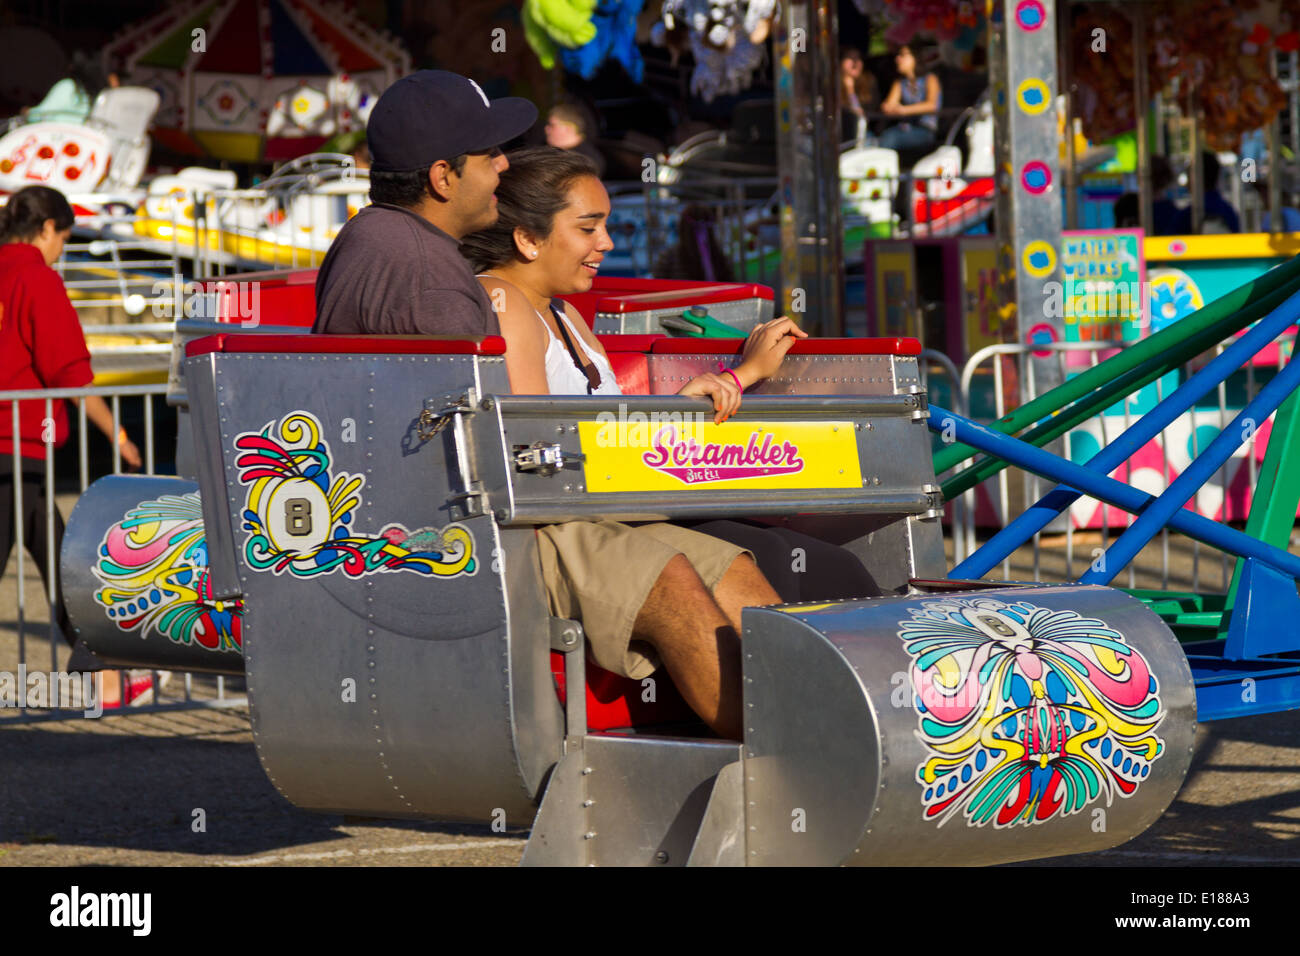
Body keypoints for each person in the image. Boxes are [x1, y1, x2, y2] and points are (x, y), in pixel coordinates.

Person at [461, 146, 857, 740]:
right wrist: (714, 394)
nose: (607, 245)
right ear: (527, 239)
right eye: (589, 228)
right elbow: (534, 451)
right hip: (543, 531)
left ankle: (818, 731)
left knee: (738, 571)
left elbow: (603, 431)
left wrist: (706, 396)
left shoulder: (565, 315)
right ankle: (784, 757)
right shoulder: (505, 302)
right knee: (673, 577)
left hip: (597, 514)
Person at [0, 186, 148, 706]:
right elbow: (70, 374)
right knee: (63, 566)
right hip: (18, 443)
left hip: (14, 448)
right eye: (64, 236)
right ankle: (101, 675)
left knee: (63, 563)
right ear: (46, 230)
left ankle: (100, 674)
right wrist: (121, 435)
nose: (63, 247)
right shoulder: (37, 280)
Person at [311, 70, 537, 335]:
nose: (504, 163)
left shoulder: (368, 229)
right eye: (489, 154)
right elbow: (461, 376)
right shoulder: (432, 283)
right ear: (442, 178)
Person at [878, 43, 942, 153]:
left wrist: (904, 110)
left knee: (890, 138)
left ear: (915, 58)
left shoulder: (930, 79)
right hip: (903, 129)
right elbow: (888, 106)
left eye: (903, 55)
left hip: (925, 130)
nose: (897, 59)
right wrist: (890, 107)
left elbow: (932, 105)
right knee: (877, 140)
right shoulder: (899, 83)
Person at [544, 100, 607, 177]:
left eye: (552, 125)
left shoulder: (586, 161)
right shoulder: (550, 150)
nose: (546, 129)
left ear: (569, 128)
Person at [840, 46, 879, 144]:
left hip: (863, 132)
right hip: (840, 133)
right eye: (850, 58)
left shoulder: (869, 81)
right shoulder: (833, 84)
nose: (855, 63)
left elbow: (860, 114)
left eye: (858, 58)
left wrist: (850, 91)